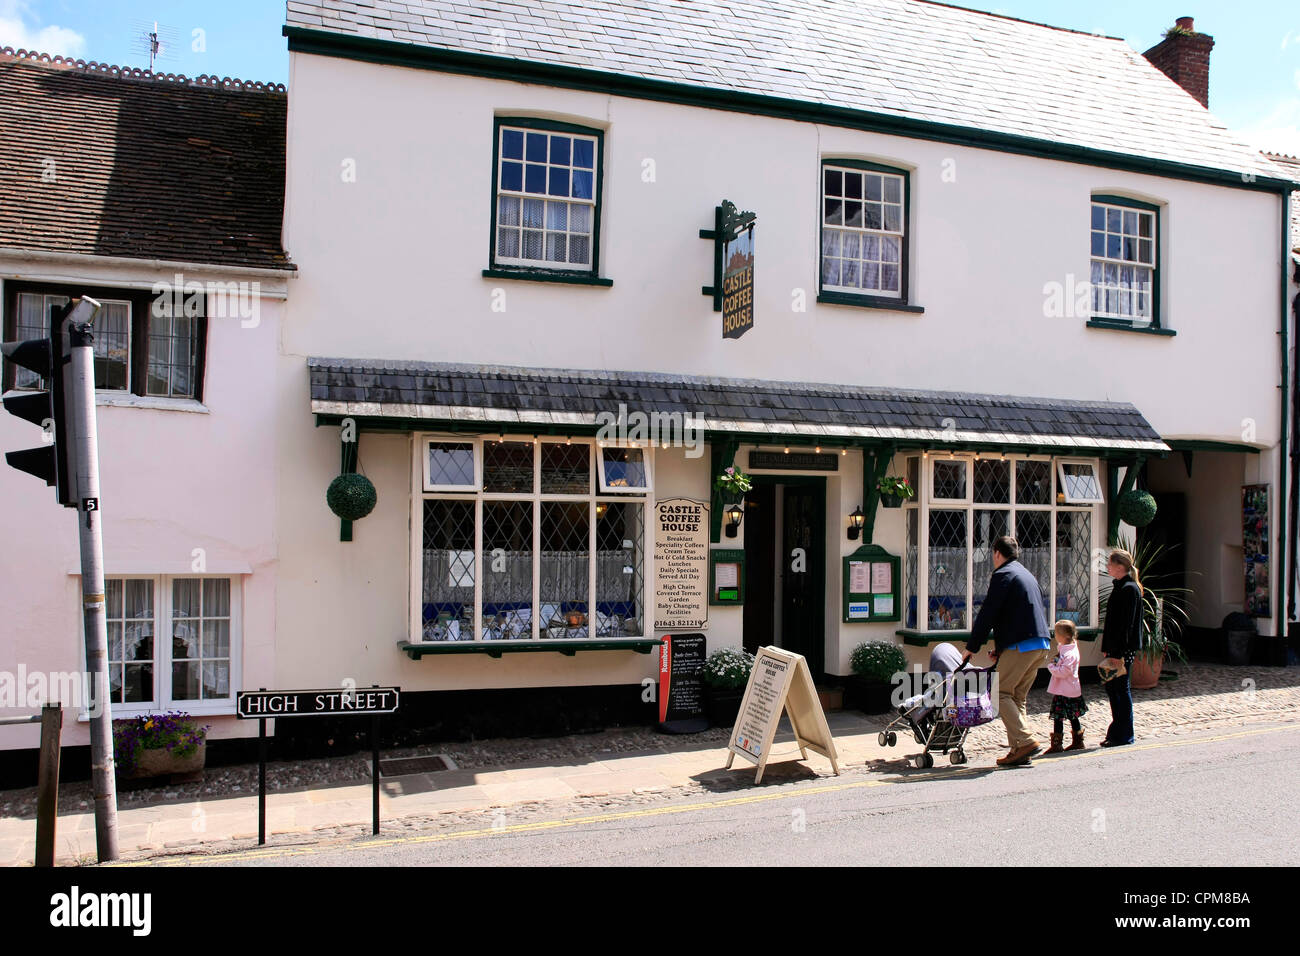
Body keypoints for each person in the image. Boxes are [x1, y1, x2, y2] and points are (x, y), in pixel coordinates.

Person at [961, 535, 1051, 766]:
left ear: (997, 553)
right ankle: (1018, 750)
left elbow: (989, 612)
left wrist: (972, 647)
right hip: (1040, 643)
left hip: (1022, 644)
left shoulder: (1003, 575)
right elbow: (1020, 612)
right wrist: (1001, 648)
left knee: (998, 693)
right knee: (1016, 697)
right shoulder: (1026, 574)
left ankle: (1026, 740)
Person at [1100, 549, 1143, 747]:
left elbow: (1126, 625)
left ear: (1120, 567)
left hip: (1122, 651)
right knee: (1113, 689)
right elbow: (1112, 623)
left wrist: (1117, 653)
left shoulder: (1129, 589)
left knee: (1120, 690)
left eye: (1110, 564)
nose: (1107, 567)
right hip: (1115, 649)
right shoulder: (1121, 587)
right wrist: (1107, 648)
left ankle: (1124, 734)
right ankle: (1116, 731)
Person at [1044, 619, 1087, 752]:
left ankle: (1074, 741)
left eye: (1056, 633)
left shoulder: (1070, 653)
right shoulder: (1064, 649)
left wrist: (1051, 667)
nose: (1055, 636)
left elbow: (1064, 671)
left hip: (1067, 690)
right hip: (1063, 690)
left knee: (1071, 716)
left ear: (1065, 636)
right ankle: (1060, 743)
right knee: (1060, 717)